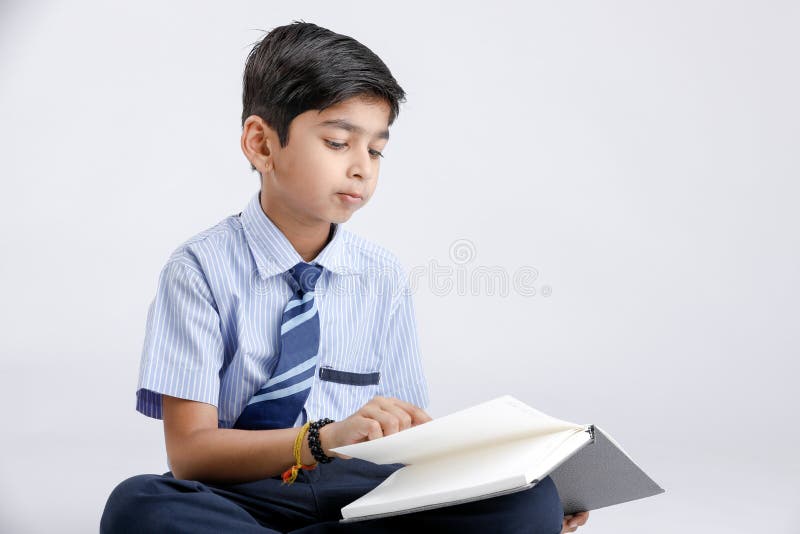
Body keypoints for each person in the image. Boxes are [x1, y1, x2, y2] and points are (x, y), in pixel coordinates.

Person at [99, 21, 589, 533]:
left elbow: (406, 439)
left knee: (533, 500)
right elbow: (191, 455)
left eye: (376, 150)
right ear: (261, 144)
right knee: (138, 506)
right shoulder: (198, 270)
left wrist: (502, 483)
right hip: (240, 495)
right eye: (338, 142)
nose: (363, 168)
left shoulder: (381, 275)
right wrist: (318, 440)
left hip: (357, 493)